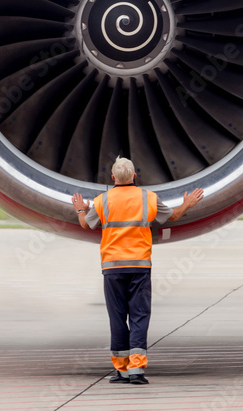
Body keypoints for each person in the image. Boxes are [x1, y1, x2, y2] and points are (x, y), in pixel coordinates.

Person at [71, 157, 204, 385]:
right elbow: (171, 217)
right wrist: (187, 204)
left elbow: (86, 225)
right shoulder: (148, 198)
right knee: (139, 315)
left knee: (117, 317)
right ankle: (136, 369)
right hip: (139, 266)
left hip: (112, 267)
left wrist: (80, 210)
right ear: (134, 176)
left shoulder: (102, 201)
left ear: (113, 178)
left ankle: (121, 371)